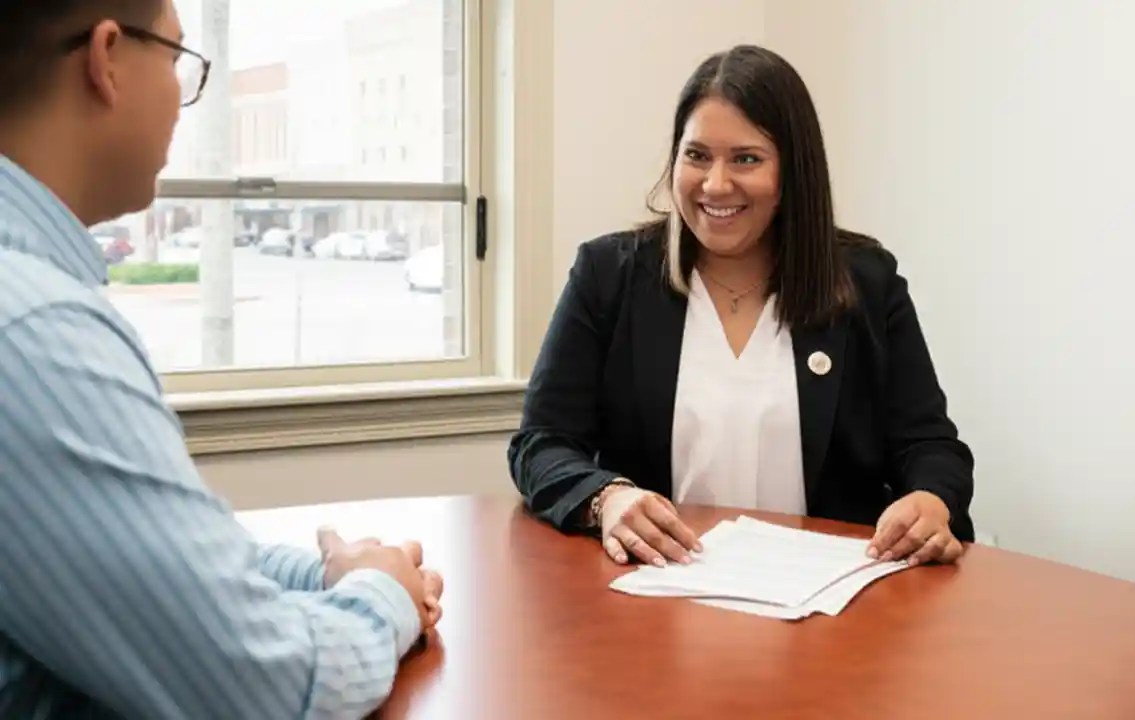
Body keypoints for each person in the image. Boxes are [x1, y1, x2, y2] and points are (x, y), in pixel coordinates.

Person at [0, 2, 442, 717]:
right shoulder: (34, 333)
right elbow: (266, 690)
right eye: (177, 60)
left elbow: (156, 560)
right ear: (107, 58)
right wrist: (384, 594)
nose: (182, 97)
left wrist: (331, 573)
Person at [509, 45, 975, 570]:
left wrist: (932, 500)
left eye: (746, 159)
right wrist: (607, 498)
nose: (715, 184)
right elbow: (540, 445)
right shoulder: (608, 275)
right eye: (697, 155)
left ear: (793, 172)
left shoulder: (866, 283)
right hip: (656, 595)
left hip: (828, 605)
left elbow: (931, 447)